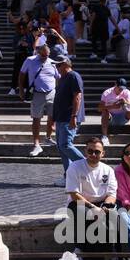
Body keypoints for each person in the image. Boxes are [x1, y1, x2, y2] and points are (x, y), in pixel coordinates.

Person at [64, 137, 119, 260]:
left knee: (115, 216)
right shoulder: (74, 167)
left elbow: (112, 194)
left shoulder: (108, 170)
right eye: (90, 151)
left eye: (97, 152)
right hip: (79, 203)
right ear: (85, 152)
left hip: (102, 204)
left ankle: (112, 253)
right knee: (83, 214)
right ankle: (79, 252)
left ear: (103, 153)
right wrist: (94, 208)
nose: (93, 154)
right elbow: (74, 194)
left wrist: (104, 207)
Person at [19, 39, 58, 158]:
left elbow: (58, 76)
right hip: (37, 93)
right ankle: (36, 143)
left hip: (51, 92)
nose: (45, 57)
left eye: (47, 55)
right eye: (43, 54)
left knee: (52, 117)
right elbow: (21, 74)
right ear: (39, 51)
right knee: (36, 118)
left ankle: (48, 137)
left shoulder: (52, 62)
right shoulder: (30, 60)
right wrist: (21, 89)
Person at [49, 48, 84, 179]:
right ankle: (69, 176)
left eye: (59, 64)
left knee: (65, 145)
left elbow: (77, 97)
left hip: (69, 117)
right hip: (61, 118)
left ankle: (88, 167)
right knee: (61, 147)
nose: (57, 67)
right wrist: (53, 119)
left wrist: (74, 116)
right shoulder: (62, 78)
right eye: (55, 65)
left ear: (66, 64)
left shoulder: (73, 76)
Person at [99, 78, 130, 144]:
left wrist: (125, 102)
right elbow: (100, 108)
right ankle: (104, 136)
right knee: (105, 111)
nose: (121, 90)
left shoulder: (127, 92)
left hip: (123, 117)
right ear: (115, 85)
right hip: (110, 117)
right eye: (119, 88)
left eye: (122, 88)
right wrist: (112, 106)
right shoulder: (106, 93)